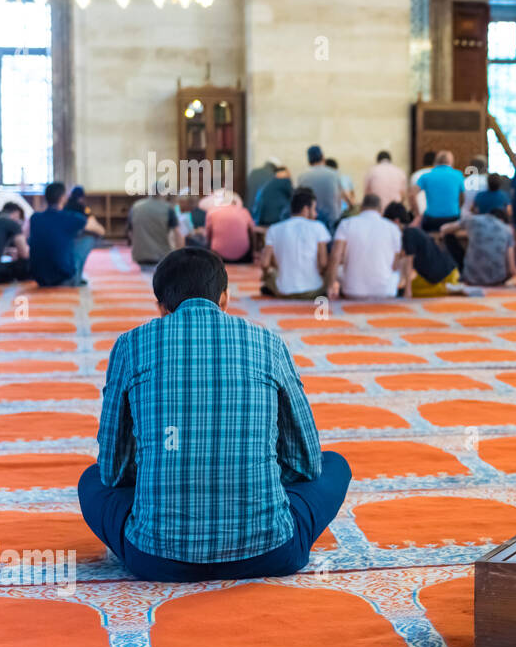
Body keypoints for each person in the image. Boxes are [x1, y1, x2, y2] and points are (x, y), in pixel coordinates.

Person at [80, 247, 350, 582]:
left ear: (161, 307)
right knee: (335, 465)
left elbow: (113, 472)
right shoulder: (268, 342)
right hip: (273, 551)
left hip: (154, 558)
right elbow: (306, 463)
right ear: (224, 299)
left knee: (91, 481)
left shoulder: (130, 346)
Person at [29, 182, 106, 287]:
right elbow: (101, 231)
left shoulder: (35, 218)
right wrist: (90, 218)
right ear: (62, 198)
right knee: (90, 238)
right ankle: (77, 277)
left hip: (39, 279)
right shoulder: (71, 218)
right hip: (63, 280)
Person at [259, 188, 331, 299]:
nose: (316, 214)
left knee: (270, 277)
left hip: (283, 291)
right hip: (314, 290)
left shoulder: (274, 229)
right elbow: (323, 263)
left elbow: (264, 264)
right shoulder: (318, 227)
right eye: (314, 209)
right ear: (306, 209)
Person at [329, 194, 403, 299]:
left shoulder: (346, 224)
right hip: (385, 291)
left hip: (353, 290)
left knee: (341, 269)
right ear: (380, 209)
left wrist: (331, 284)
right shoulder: (393, 228)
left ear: (361, 207)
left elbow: (335, 256)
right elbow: (395, 264)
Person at [440, 191, 515, 287]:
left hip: (471, 278)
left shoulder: (473, 219)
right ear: (502, 220)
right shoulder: (507, 229)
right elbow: (512, 269)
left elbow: (444, 229)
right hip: (497, 279)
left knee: (448, 236)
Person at [399, 213, 460, 298]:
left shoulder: (408, 233)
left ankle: (452, 289)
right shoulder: (411, 233)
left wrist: (408, 291)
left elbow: (409, 263)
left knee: (411, 290)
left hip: (447, 276)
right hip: (444, 275)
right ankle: (452, 288)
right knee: (408, 287)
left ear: (396, 221)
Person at [128, 187, 183, 266]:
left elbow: (130, 233)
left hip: (139, 257)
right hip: (162, 257)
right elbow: (178, 234)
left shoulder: (135, 206)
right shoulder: (168, 208)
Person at [416, 150, 466, 231]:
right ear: (451, 162)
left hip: (432, 219)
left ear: (436, 161)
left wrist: (417, 214)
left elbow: (412, 194)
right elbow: (463, 197)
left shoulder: (426, 176)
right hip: (453, 217)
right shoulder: (458, 175)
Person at [297, 145, 342, 231]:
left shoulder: (302, 177)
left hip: (311, 220)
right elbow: (338, 199)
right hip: (331, 221)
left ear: (309, 161)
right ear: (323, 157)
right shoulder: (333, 174)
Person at [204, 192, 255, 263]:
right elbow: (252, 233)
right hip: (243, 257)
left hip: (218, 257)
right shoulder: (244, 211)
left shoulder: (212, 212)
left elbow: (208, 236)